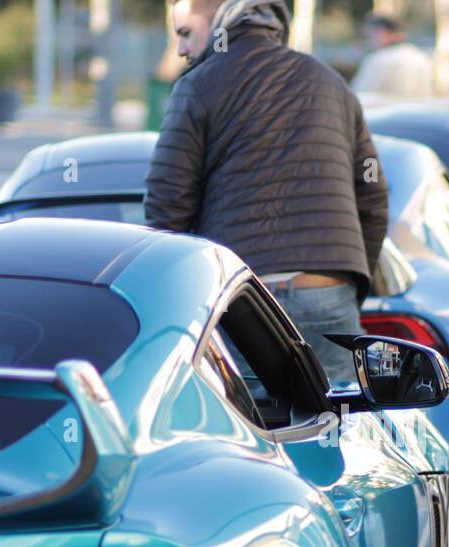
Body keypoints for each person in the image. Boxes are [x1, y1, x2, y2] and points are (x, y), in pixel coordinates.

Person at [144, 0, 388, 385]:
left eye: (185, 33)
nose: (180, 50)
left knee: (249, 435)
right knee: (338, 431)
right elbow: (373, 197)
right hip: (325, 290)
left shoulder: (197, 86)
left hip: (243, 303)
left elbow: (166, 209)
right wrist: (347, 280)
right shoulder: (330, 83)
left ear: (218, 22)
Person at [349, 14, 437, 99]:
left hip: (384, 112)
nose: (368, 42)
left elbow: (359, 97)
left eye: (369, 37)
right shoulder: (422, 57)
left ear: (381, 32)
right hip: (420, 112)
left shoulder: (377, 60)